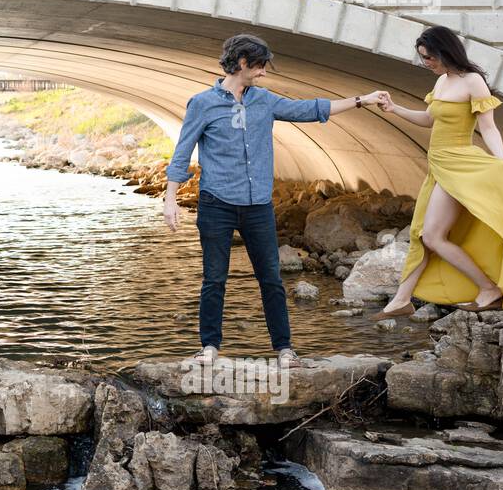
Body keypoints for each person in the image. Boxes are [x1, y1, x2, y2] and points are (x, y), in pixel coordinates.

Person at [163, 33, 385, 367]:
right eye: (260, 65)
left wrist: (362, 100)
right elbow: (182, 153)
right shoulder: (202, 104)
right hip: (216, 205)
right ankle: (209, 347)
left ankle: (284, 349)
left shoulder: (264, 100)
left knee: (271, 278)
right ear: (242, 64)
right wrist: (170, 199)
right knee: (214, 279)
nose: (265, 72)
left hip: (257, 208)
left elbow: (311, 109)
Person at [370, 26, 503, 319]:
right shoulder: (442, 81)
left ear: (446, 52)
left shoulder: (473, 81)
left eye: (429, 57)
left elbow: (488, 127)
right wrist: (395, 109)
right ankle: (401, 300)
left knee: (431, 235)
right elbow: (429, 119)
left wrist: (501, 157)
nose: (425, 63)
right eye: (422, 58)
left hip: (459, 166)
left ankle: (488, 288)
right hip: (438, 165)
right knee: (423, 233)